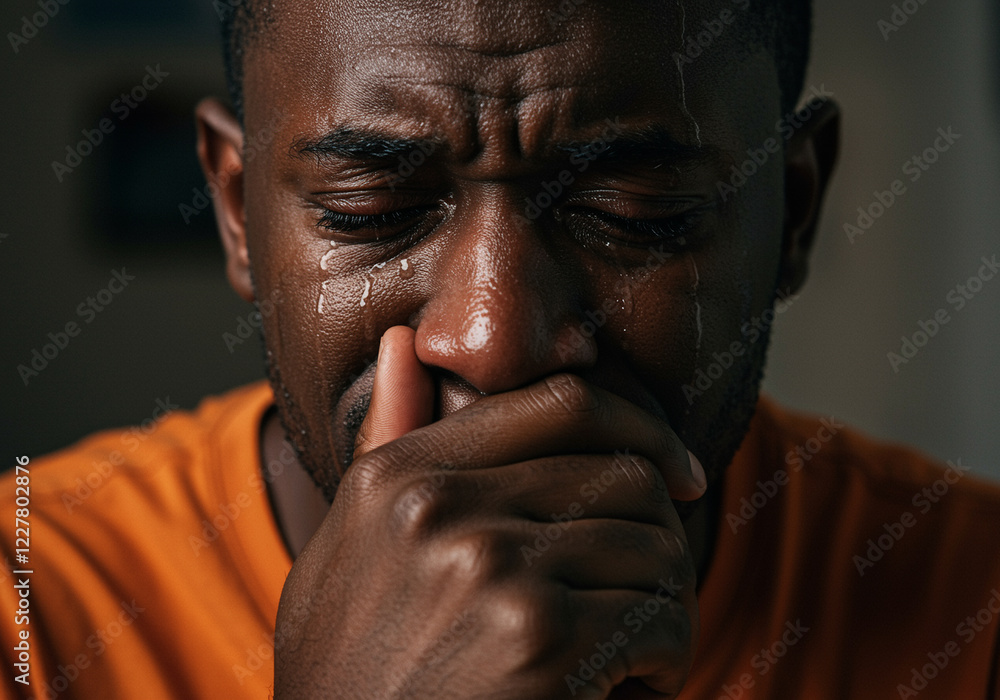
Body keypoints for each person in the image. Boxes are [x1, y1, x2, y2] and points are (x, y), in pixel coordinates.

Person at [3, 0, 999, 698]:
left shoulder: (972, 604)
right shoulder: (30, 610)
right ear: (234, 211)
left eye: (632, 210)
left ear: (793, 214)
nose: (492, 339)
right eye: (372, 208)